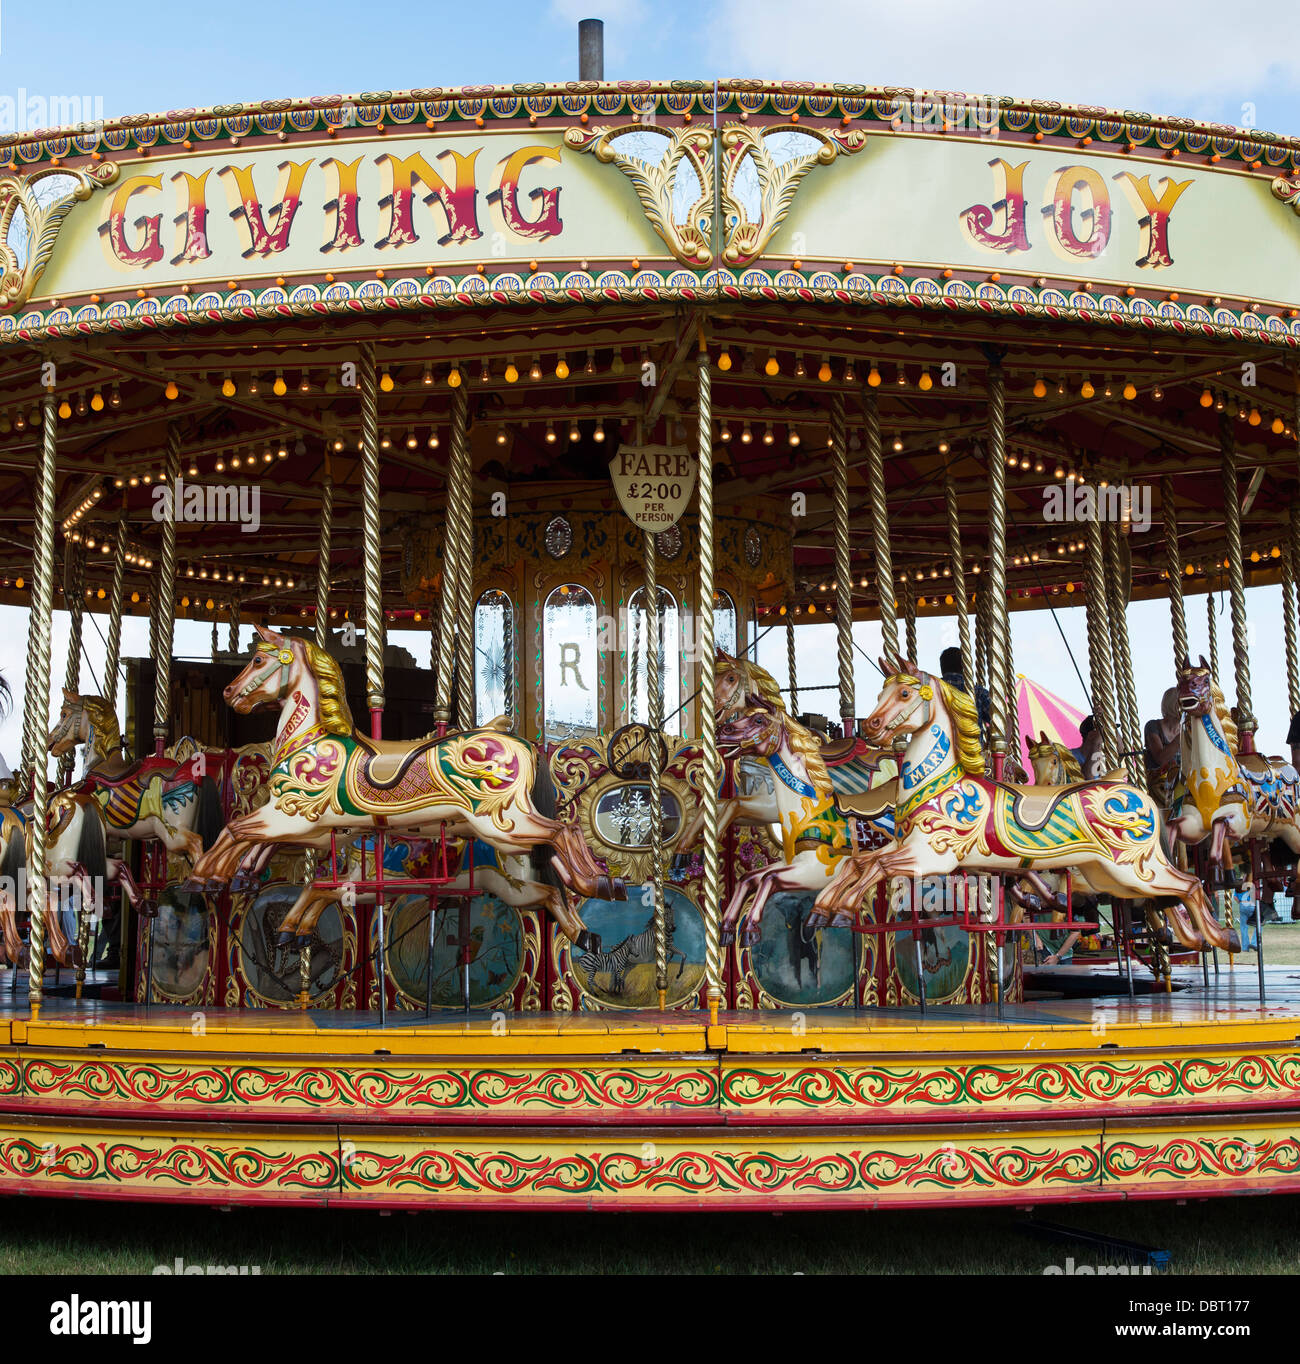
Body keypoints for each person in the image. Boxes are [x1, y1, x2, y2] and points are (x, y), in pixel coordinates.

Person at [1144, 686, 1182, 811]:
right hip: (1159, 784)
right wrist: (1181, 736)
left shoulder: (1186, 728)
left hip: (1180, 782)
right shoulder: (1153, 726)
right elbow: (1161, 758)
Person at [939, 647, 991, 738]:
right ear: (965, 667)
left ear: (942, 667)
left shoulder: (931, 690)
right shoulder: (978, 692)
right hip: (973, 750)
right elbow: (1003, 720)